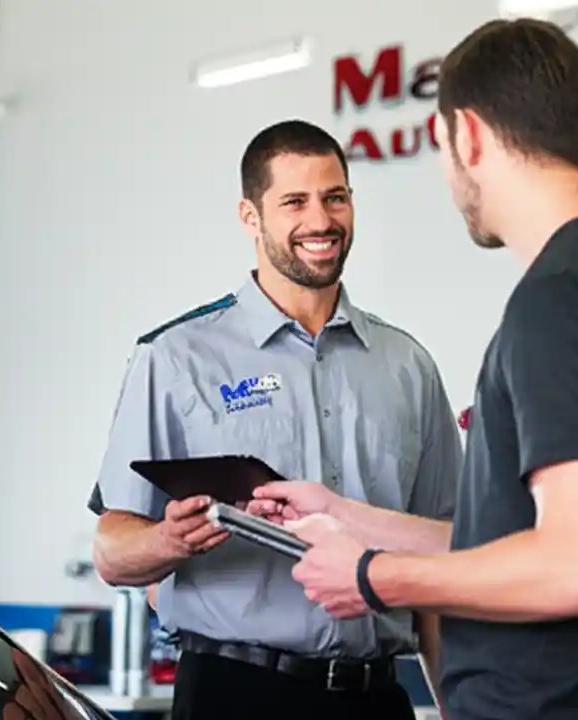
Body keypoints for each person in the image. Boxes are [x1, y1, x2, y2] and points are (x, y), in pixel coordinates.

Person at [252, 18, 578, 720]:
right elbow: (514, 542)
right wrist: (347, 517)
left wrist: (372, 578)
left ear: (468, 135)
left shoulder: (565, 297)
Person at [86, 119, 462, 719]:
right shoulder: (176, 358)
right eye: (295, 201)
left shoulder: (408, 366)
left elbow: (445, 566)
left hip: (375, 698)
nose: (320, 221)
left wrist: (458, 709)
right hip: (234, 695)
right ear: (250, 216)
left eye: (334, 197)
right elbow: (111, 552)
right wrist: (169, 539)